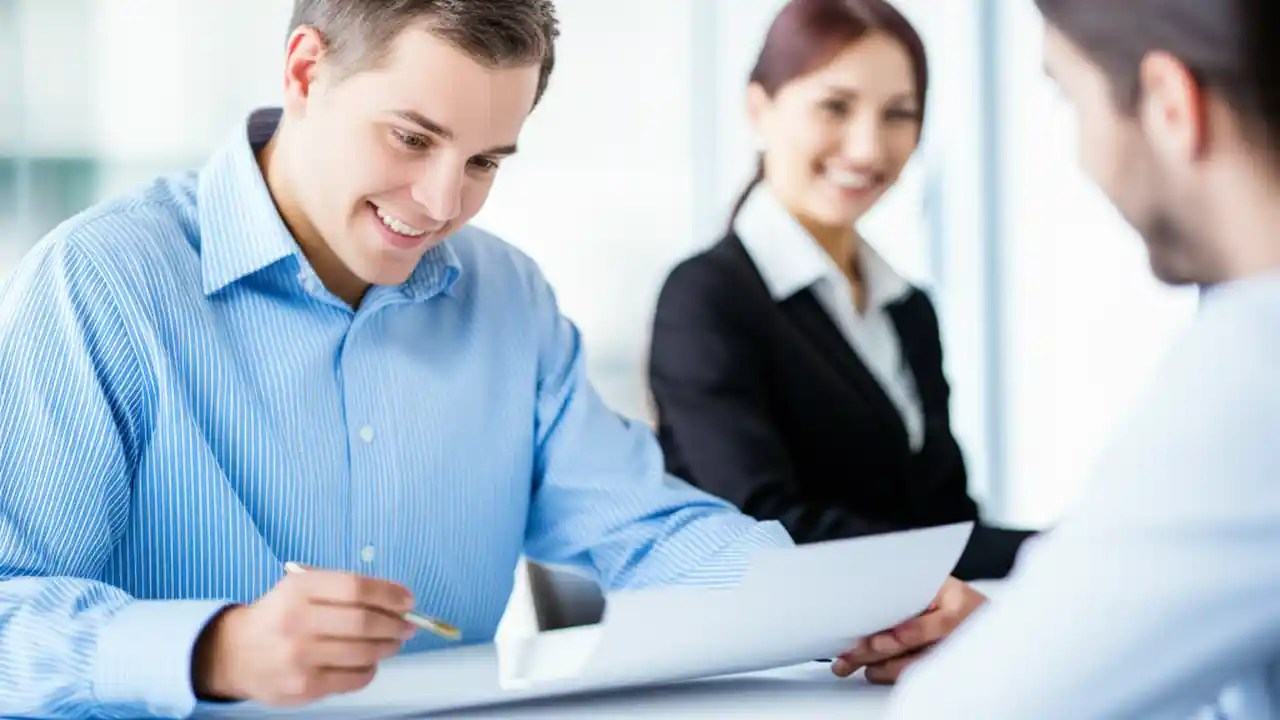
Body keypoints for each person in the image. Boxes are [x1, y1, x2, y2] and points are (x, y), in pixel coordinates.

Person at [0, 1, 980, 717]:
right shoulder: (104, 284)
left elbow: (642, 530)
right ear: (303, 72)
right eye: (410, 137)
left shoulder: (507, 299)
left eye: (483, 163)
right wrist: (212, 650)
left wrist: (847, 605)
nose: (438, 203)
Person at [834, 0, 1280, 716]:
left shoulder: (1257, 365)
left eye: (1071, 98)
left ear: (1169, 105)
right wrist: (1044, 634)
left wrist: (1030, 646)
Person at [648, 0, 1031, 581]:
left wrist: (1064, 551)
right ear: (760, 108)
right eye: (835, 107)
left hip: (905, 643)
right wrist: (1038, 553)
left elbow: (947, 518)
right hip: (777, 654)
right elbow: (768, 530)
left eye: (898, 114)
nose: (868, 149)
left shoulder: (907, 309)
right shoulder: (708, 298)